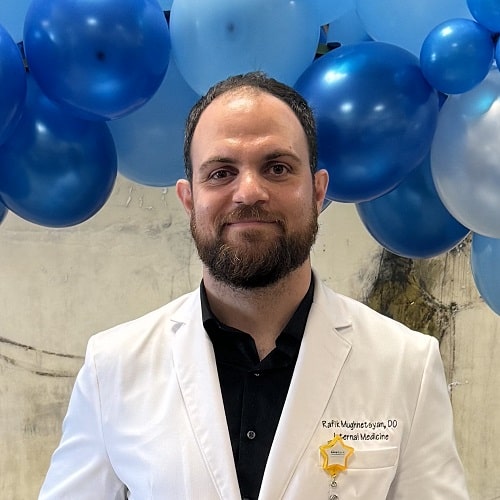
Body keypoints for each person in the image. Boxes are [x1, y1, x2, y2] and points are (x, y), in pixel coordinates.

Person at [39, 71, 469, 499]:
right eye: (221, 173)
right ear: (189, 200)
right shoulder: (113, 367)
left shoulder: (406, 365)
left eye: (277, 168)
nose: (248, 192)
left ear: (318, 192)